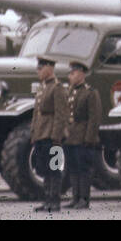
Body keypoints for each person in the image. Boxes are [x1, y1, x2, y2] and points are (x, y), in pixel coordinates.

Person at [30, 57, 69, 213]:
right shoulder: (42, 88)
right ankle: (47, 200)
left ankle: (55, 201)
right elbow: (36, 113)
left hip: (52, 134)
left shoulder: (57, 88)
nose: (38, 71)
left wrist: (56, 136)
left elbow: (61, 114)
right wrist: (33, 132)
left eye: (41, 68)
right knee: (45, 169)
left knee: (54, 168)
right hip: (41, 133)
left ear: (49, 68)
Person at [63, 60, 101, 209]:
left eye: (73, 73)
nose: (70, 76)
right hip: (71, 136)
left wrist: (89, 138)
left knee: (83, 168)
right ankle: (75, 197)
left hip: (83, 136)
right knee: (73, 167)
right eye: (70, 73)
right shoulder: (70, 92)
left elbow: (94, 118)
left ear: (81, 74)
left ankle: (84, 199)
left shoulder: (90, 93)